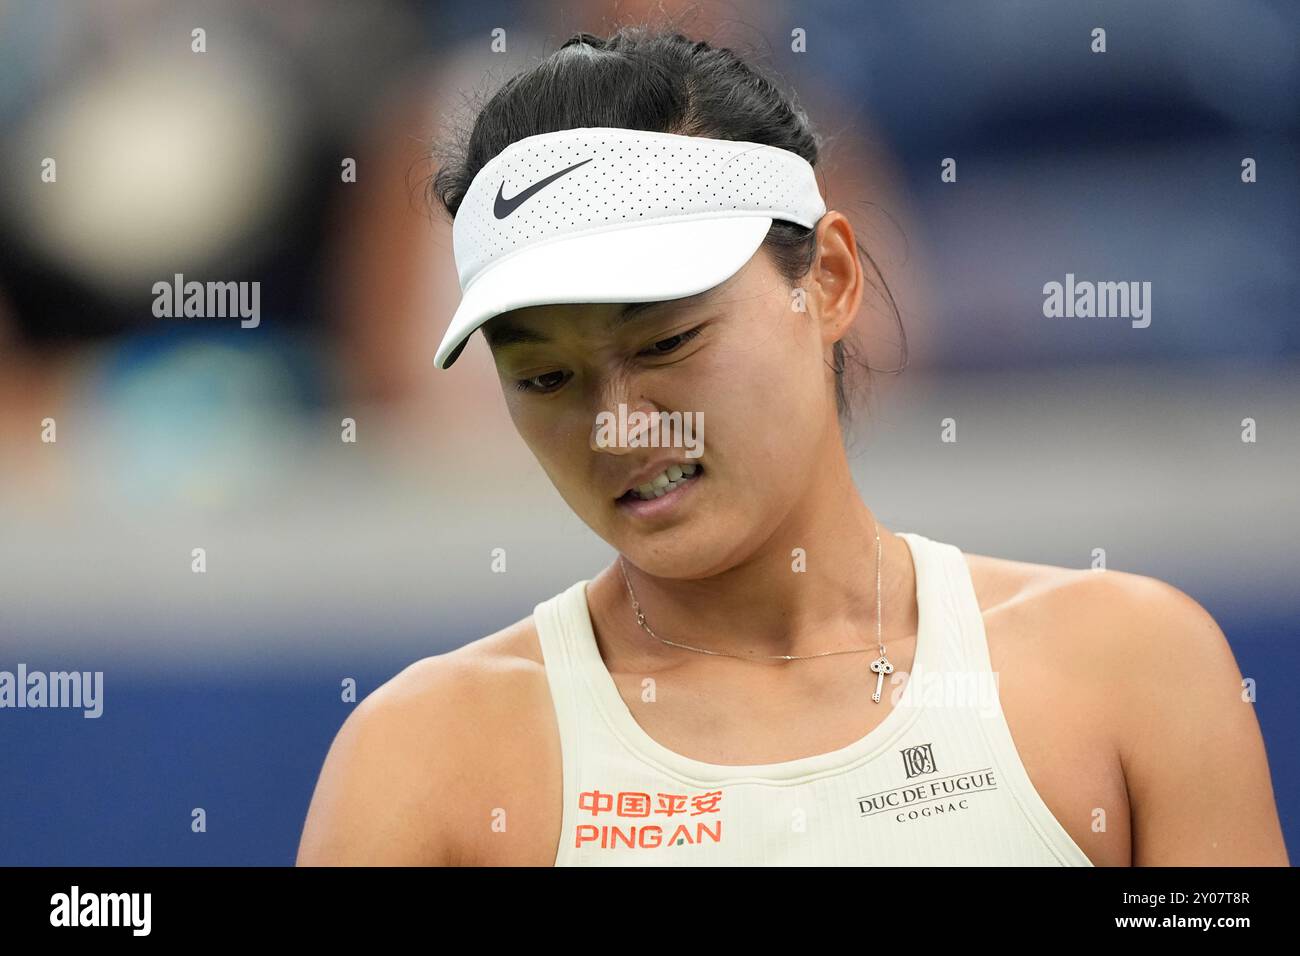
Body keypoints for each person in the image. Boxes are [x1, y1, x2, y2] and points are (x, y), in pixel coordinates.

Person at [296, 27, 1288, 866]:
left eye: (667, 341)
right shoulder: (420, 762)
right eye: (544, 376)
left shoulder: (1133, 669)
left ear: (831, 280)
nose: (621, 425)